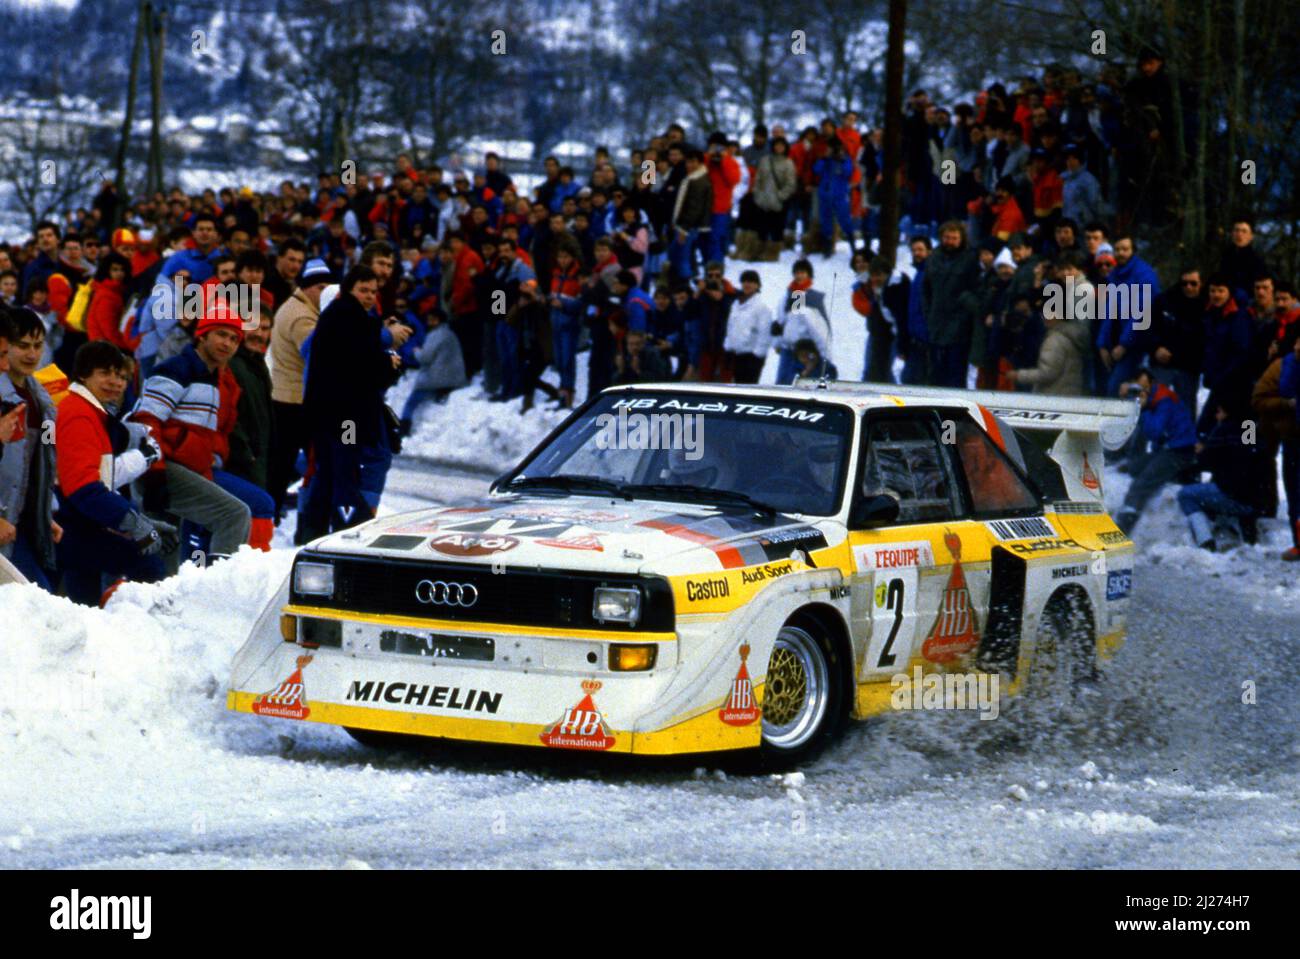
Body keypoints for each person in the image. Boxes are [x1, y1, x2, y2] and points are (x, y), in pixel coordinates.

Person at [132, 303, 265, 557]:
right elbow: (146, 420)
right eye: (221, 334)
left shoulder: (213, 379)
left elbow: (205, 436)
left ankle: (158, 592)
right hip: (162, 467)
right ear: (202, 334)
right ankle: (217, 587)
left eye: (234, 339)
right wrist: (155, 474)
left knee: (165, 550)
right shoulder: (177, 369)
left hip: (185, 468)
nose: (227, 343)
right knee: (234, 515)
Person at [54, 341, 170, 606]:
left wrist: (137, 520)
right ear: (83, 374)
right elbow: (83, 489)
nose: (116, 382)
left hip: (76, 523)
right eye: (105, 373)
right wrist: (133, 523)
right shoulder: (78, 414)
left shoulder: (93, 412)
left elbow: (98, 482)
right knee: (147, 565)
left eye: (121, 376)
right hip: (70, 526)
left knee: (83, 605)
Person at [300, 265, 402, 541]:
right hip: (344, 415)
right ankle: (347, 532)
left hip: (326, 413)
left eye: (373, 291)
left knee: (328, 474)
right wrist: (387, 362)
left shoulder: (340, 315)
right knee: (344, 473)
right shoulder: (351, 317)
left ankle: (312, 532)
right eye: (363, 290)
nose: (369, 296)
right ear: (348, 290)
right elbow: (356, 364)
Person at [0, 308, 61, 590]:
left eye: (37, 346)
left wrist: (44, 513)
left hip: (24, 521)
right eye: (22, 346)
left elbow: (45, 460)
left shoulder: (44, 401)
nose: (32, 354)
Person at [268, 258, 333, 521]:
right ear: (306, 288)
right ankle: (285, 516)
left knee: (284, 463)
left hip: (288, 397)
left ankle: (273, 512)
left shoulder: (297, 307)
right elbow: (320, 355)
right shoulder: (302, 317)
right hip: (295, 401)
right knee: (308, 463)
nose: (324, 292)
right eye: (319, 287)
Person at [1177, 399, 1275, 551]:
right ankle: (1239, 532)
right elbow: (1250, 456)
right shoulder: (1250, 427)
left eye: (1219, 411)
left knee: (1186, 495)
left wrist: (1198, 453)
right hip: (1258, 499)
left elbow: (1205, 461)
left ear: (1227, 412)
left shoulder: (1223, 430)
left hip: (1235, 497)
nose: (1216, 416)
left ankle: (1205, 541)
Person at [1114, 368, 1197, 535]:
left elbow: (1154, 432)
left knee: (1142, 483)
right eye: (1136, 389)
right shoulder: (1153, 397)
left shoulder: (1163, 399)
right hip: (1167, 448)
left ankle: (1125, 524)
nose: (1140, 392)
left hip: (1179, 451)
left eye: (1143, 388)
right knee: (1132, 467)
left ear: (1152, 383)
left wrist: (1143, 409)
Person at [1254, 329, 1300, 560]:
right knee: (1295, 494)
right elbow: (1259, 398)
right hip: (1292, 440)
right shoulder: (1281, 367)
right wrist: (1285, 404)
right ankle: (1298, 543)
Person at [922, 221, 981, 388]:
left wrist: (964, 310)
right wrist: (928, 312)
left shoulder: (970, 259)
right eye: (947, 237)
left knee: (955, 374)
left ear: (961, 239)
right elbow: (926, 289)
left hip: (959, 327)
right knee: (935, 373)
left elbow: (975, 289)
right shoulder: (933, 258)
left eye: (954, 238)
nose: (950, 241)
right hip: (936, 323)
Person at [226, 304, 274, 493]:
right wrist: (245, 453)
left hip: (257, 457)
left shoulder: (257, 363)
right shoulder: (231, 364)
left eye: (265, 328)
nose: (259, 334)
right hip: (240, 462)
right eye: (253, 326)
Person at [399, 307, 467, 434]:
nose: (429, 322)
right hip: (454, 376)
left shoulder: (435, 335)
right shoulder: (450, 333)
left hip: (437, 377)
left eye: (432, 320)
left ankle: (404, 427)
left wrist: (416, 351)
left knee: (411, 402)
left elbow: (425, 357)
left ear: (438, 321)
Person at [772, 259, 831, 385]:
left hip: (805, 350)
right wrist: (777, 342)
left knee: (800, 383)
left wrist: (826, 356)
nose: (799, 275)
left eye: (803, 272)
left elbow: (820, 329)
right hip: (787, 349)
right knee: (782, 383)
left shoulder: (813, 297)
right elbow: (780, 322)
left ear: (808, 274)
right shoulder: (787, 297)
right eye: (797, 272)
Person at [856, 254, 911, 384]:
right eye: (873, 275)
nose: (875, 279)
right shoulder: (799, 290)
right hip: (880, 333)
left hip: (891, 334)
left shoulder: (895, 287)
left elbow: (901, 318)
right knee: (873, 368)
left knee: (887, 371)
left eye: (878, 275)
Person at [751, 137, 797, 261]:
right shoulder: (764, 160)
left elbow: (791, 184)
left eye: (781, 145)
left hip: (778, 202)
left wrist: (781, 196)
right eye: (777, 145)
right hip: (763, 200)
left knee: (777, 228)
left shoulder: (788, 163)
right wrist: (757, 195)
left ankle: (772, 254)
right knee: (761, 228)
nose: (779, 148)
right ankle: (759, 252)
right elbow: (758, 179)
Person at [723, 270, 773, 384]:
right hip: (736, 355)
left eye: (751, 281)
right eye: (744, 281)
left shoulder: (762, 305)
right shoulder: (736, 304)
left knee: (748, 388)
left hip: (751, 357)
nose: (747, 284)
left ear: (757, 285)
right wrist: (728, 348)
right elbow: (730, 327)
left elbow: (764, 333)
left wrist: (757, 356)